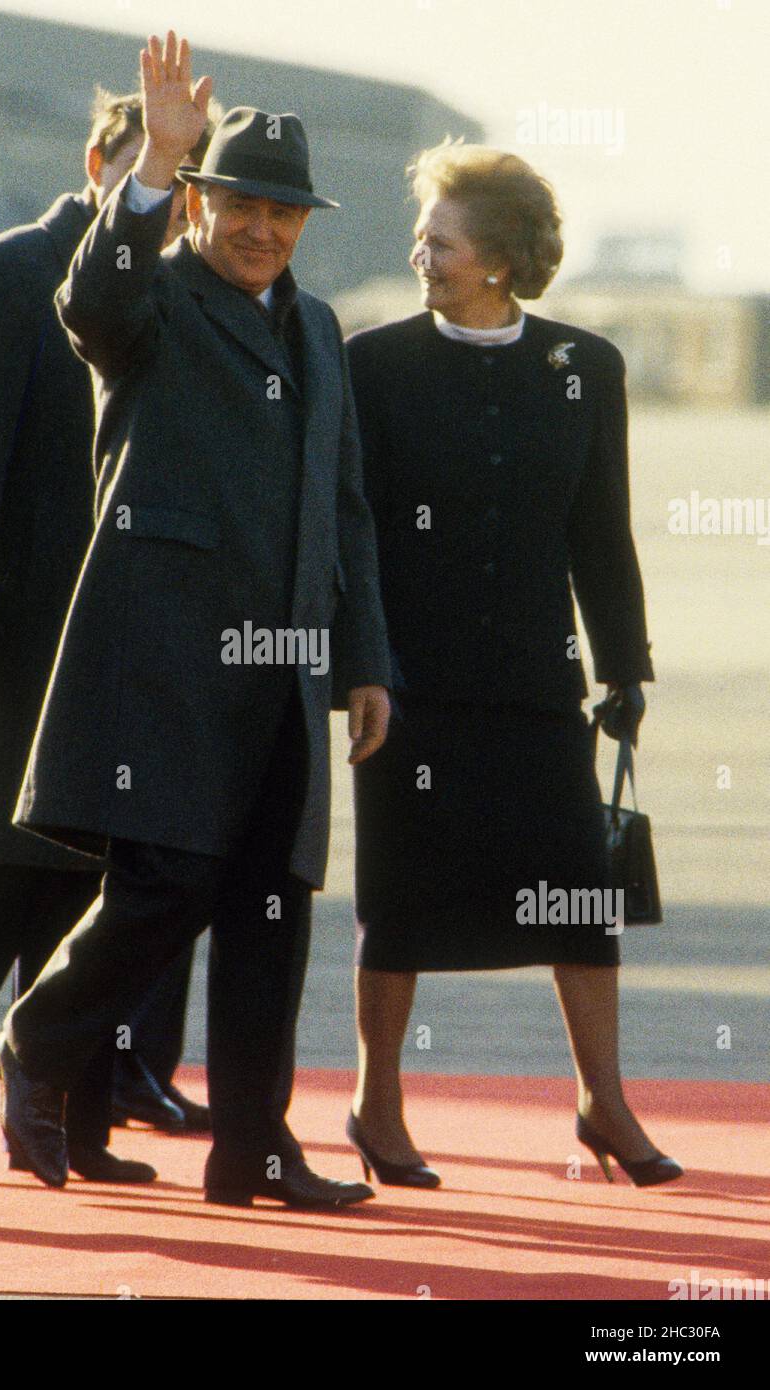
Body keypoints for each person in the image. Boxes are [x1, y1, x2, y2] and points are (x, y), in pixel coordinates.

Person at [0, 31, 392, 1209]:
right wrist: (154, 166)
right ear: (204, 202)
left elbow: (350, 510)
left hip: (287, 669)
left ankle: (254, 1147)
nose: (264, 227)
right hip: (163, 652)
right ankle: (40, 1042)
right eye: (241, 202)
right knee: (164, 885)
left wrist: (365, 659)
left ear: (307, 220)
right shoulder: (151, 299)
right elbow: (91, 300)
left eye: (285, 209)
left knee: (273, 905)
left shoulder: (319, 331)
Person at [0, 89, 217, 1182]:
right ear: (97, 158)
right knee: (15, 867)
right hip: (20, 631)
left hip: (125, 634)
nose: (162, 190)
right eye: (145, 163)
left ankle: (60, 1108)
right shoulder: (12, 269)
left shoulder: (181, 290)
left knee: (85, 871)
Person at [344, 142, 682, 1190]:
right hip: (411, 687)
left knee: (578, 893)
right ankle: (377, 1101)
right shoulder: (376, 364)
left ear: (497, 258)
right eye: (423, 237)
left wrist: (624, 665)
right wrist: (355, 665)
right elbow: (350, 531)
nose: (420, 253)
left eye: (439, 240)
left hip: (541, 687)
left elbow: (600, 530)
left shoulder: (586, 367)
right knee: (397, 899)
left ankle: (602, 1101)